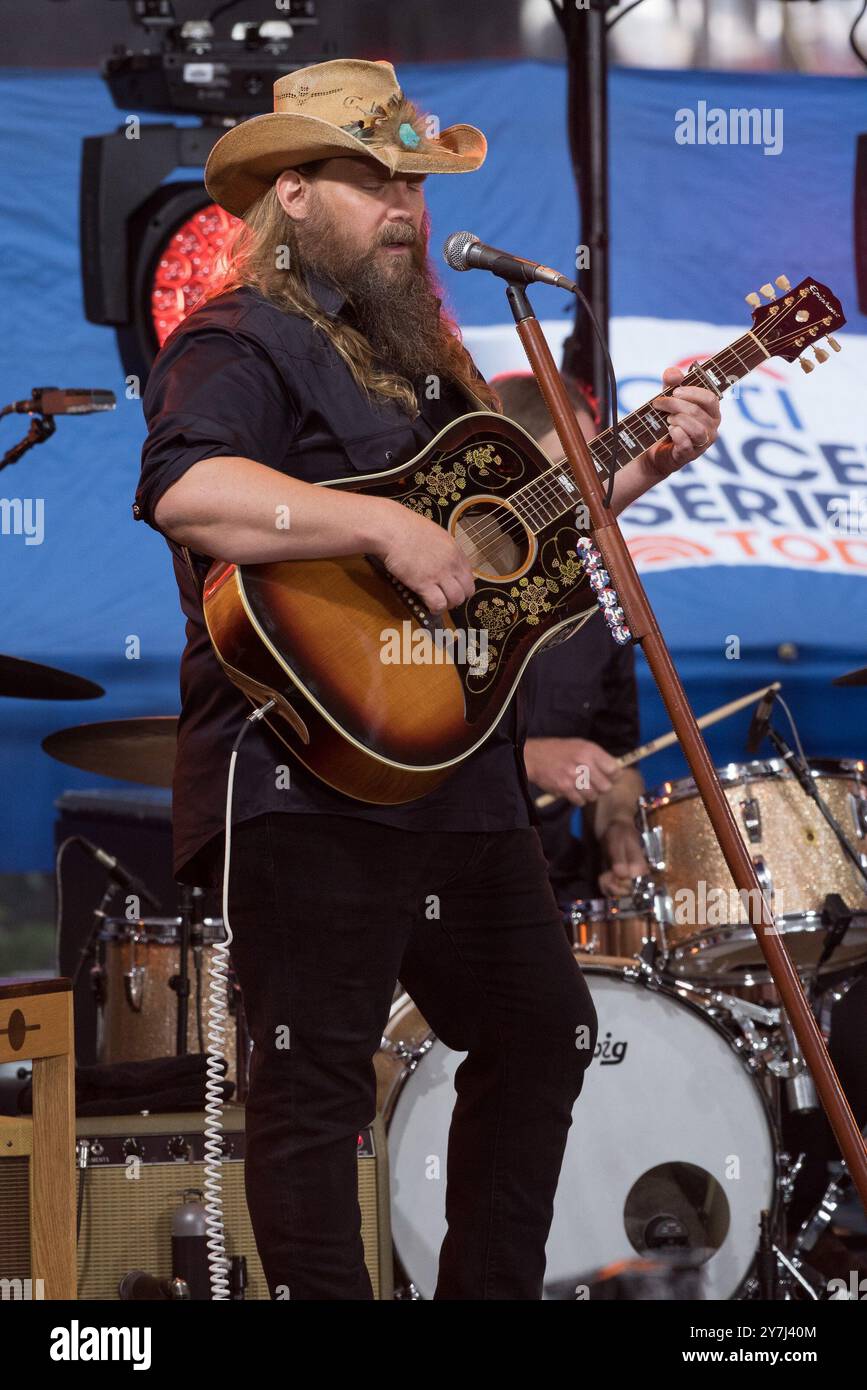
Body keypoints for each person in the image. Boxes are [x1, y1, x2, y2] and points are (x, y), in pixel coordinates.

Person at [133, 57, 721, 1300]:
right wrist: (379, 529)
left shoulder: (437, 362)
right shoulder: (244, 337)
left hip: (452, 773)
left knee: (544, 1032)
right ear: (291, 194)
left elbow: (518, 546)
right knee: (317, 1082)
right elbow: (189, 490)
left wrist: (650, 457)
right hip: (307, 771)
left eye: (416, 182)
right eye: (375, 179)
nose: (408, 207)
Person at [492, 372, 650, 908]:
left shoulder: (601, 592)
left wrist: (618, 828)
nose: (579, 495)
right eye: (560, 477)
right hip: (437, 879)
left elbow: (618, 760)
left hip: (556, 888)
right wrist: (530, 760)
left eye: (587, 475)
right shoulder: (435, 583)